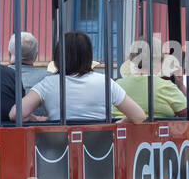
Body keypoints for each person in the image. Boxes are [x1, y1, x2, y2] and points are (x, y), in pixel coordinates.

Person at [12, 31, 147, 123]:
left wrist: (36, 118)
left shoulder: (48, 84)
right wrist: (120, 123)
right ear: (88, 56)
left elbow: (15, 114)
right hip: (100, 150)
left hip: (59, 150)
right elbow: (139, 116)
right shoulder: (104, 81)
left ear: (58, 56)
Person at [115, 49, 188, 119]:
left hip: (119, 130)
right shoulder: (165, 86)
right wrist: (181, 86)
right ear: (161, 62)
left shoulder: (117, 85)